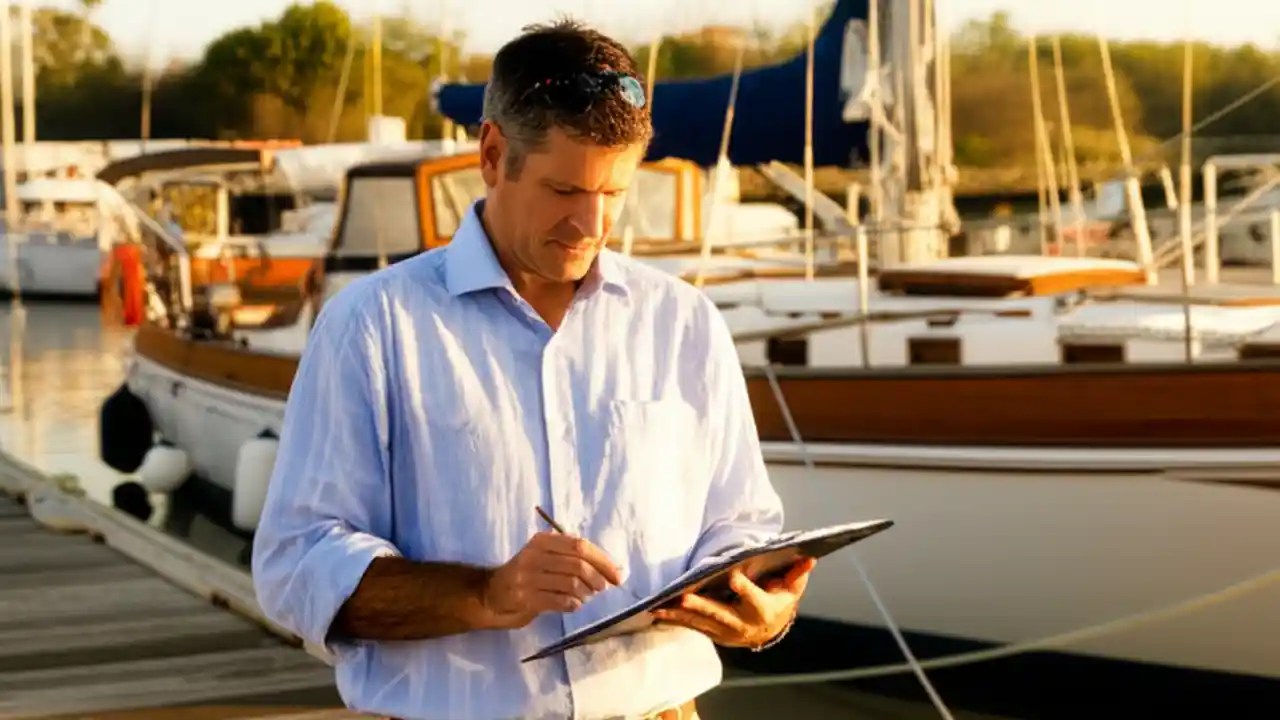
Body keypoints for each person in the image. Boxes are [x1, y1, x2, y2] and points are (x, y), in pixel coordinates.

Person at [251, 18, 814, 720]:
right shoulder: (372, 326)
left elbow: (741, 525)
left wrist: (764, 611)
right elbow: (298, 565)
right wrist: (490, 593)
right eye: (564, 191)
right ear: (492, 154)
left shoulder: (685, 321)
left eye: (613, 194)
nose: (591, 223)